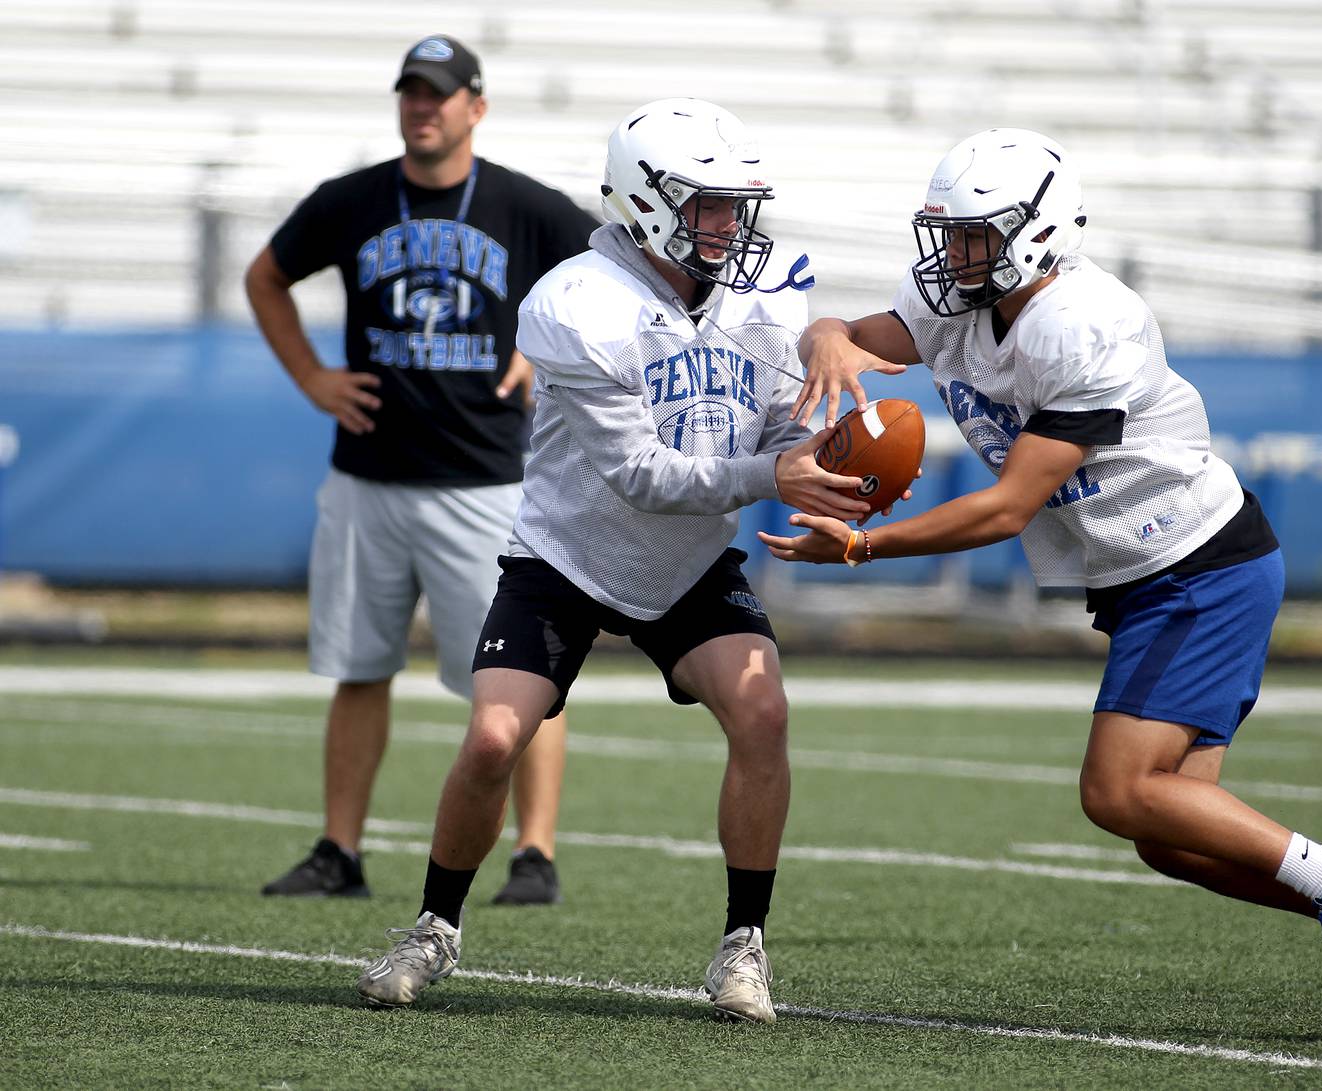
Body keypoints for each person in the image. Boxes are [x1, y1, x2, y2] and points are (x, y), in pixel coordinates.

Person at [763, 128, 1322, 1036]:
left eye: (978, 235)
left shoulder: (1084, 323)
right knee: (1169, 833)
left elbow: (1007, 508)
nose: (954, 255)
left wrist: (859, 548)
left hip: (1199, 565)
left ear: (1041, 231)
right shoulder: (966, 296)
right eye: (952, 233)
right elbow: (855, 333)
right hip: (1152, 574)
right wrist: (827, 337)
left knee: (1116, 791)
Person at [353, 98, 868, 1021]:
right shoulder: (579, 303)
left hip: (688, 562)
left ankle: (743, 945)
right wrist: (773, 475)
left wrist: (821, 464)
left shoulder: (767, 288)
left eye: (733, 204)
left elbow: (787, 418)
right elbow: (641, 474)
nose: (730, 224)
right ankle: (435, 923)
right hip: (567, 553)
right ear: (644, 200)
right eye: (707, 205)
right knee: (491, 738)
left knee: (762, 713)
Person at [243, 35, 597, 907]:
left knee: (525, 679)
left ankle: (536, 854)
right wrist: (311, 378)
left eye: (440, 94)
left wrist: (543, 356)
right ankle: (340, 850)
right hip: (368, 475)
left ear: (476, 106)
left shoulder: (522, 205)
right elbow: (265, 277)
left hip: (486, 481)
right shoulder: (355, 199)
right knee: (359, 665)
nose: (422, 106)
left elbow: (610, 282)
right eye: (411, 92)